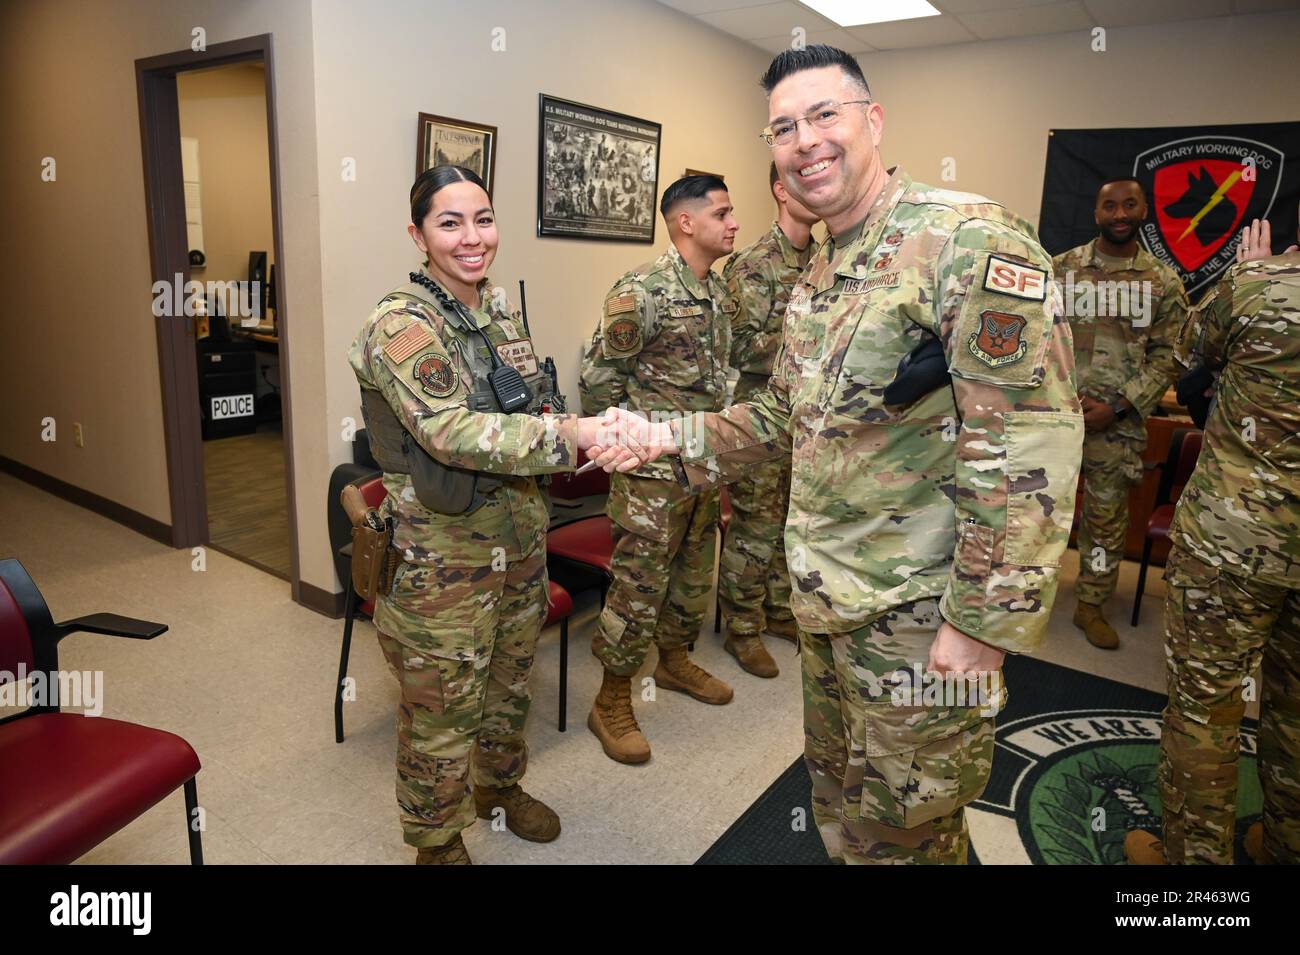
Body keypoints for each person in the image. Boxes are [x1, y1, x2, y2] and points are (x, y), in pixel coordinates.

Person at [589, 45, 1083, 864]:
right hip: (829, 602)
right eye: (784, 127)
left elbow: (1031, 441)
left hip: (919, 617)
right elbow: (782, 412)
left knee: (909, 832)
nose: (805, 140)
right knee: (844, 814)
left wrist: (982, 623)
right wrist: (665, 435)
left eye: (824, 115)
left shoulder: (963, 240)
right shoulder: (824, 262)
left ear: (872, 121)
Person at [347, 164, 637, 864]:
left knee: (509, 685)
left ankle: (499, 788)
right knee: (441, 711)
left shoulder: (498, 314)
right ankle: (437, 843)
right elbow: (449, 432)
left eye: (483, 219)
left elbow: (529, 406)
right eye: (450, 223)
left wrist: (571, 425)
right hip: (441, 562)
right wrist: (573, 434)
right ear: (417, 235)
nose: (472, 237)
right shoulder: (401, 325)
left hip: (518, 544)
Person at [1125, 217, 1300, 866]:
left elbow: (1191, 350)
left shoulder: (1257, 287)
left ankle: (1195, 870)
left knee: (1206, 709)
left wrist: (1249, 274)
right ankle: (1284, 843)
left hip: (1235, 545)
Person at [579, 175, 739, 765]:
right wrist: (621, 451)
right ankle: (611, 700)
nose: (733, 223)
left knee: (693, 577)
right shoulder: (641, 292)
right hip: (650, 477)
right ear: (686, 223)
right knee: (638, 589)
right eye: (722, 213)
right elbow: (598, 383)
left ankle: (673, 662)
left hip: (701, 465)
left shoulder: (718, 292)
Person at [1052, 179, 1189, 649]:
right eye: (1109, 205)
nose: (1119, 214)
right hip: (1055, 419)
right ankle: (1028, 595)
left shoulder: (1163, 281)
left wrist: (1116, 406)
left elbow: (1169, 357)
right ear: (1096, 213)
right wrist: (1057, 399)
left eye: (1129, 204)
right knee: (1039, 512)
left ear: (1144, 210)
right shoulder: (1061, 269)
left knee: (1105, 522)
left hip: (1117, 427)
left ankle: (1090, 606)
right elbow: (1037, 337)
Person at [716, 161, 819, 678]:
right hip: (761, 414)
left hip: (809, 418)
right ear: (781, 189)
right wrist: (805, 344)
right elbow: (736, 346)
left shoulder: (826, 259)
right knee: (754, 528)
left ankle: (779, 609)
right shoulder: (755, 264)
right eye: (800, 181)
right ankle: (742, 628)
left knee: (791, 523)